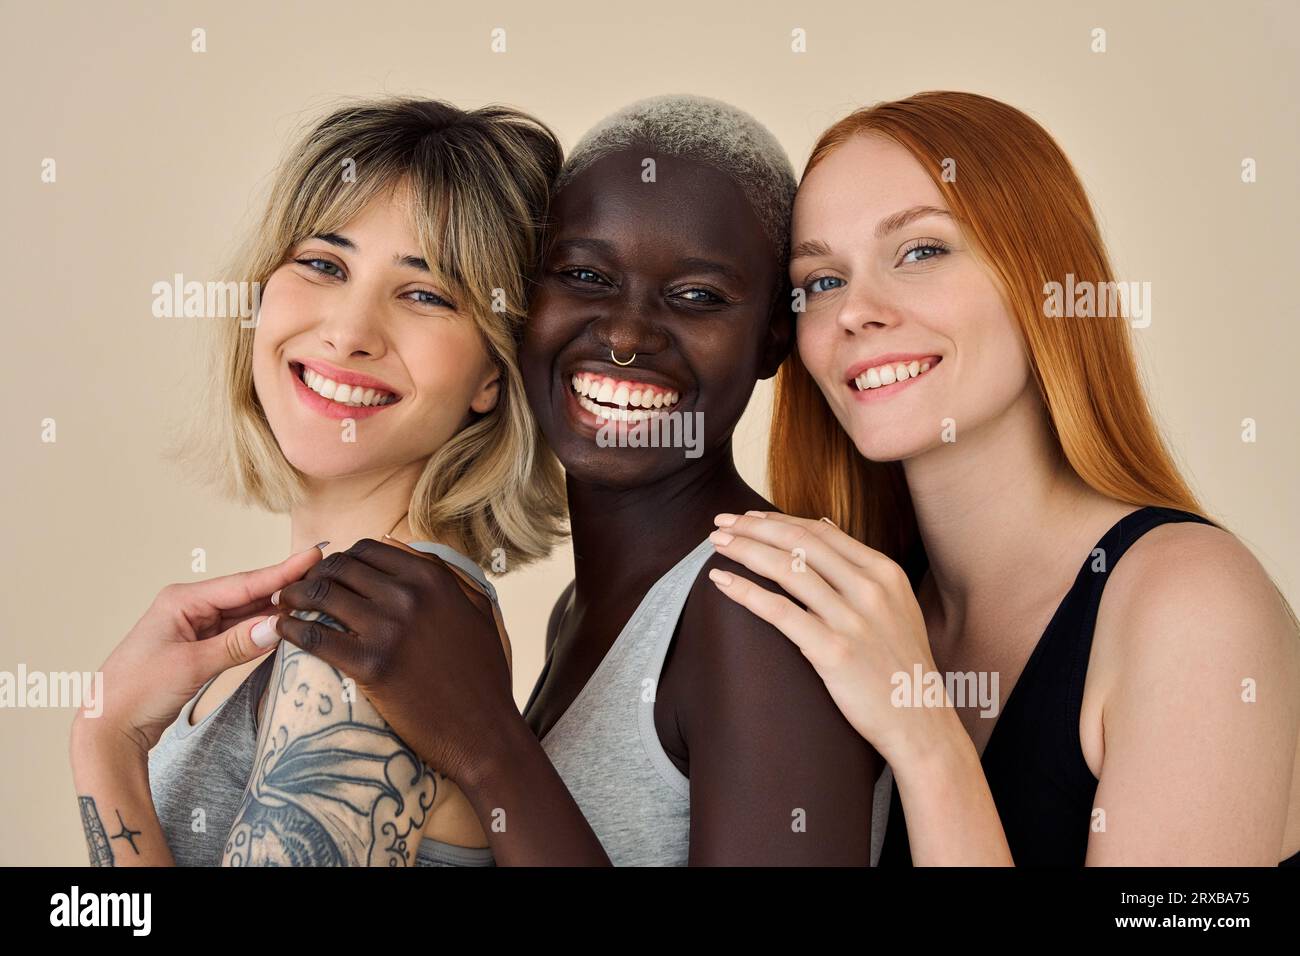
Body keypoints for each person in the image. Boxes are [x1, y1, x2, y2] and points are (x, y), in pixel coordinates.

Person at [276, 95, 879, 864]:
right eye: (585, 276)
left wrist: (489, 746)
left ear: (772, 340)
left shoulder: (766, 611)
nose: (626, 337)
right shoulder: (585, 611)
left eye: (697, 297)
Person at [704, 91, 1300, 865]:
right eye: (821, 281)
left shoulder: (1194, 605)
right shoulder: (861, 612)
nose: (855, 311)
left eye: (921, 251)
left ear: (1042, 279)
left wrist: (928, 747)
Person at [69, 96, 569, 866]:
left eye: (427, 294)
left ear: (491, 377)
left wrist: (106, 742)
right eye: (323, 264)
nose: (348, 332)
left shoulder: (379, 630)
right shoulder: (342, 610)